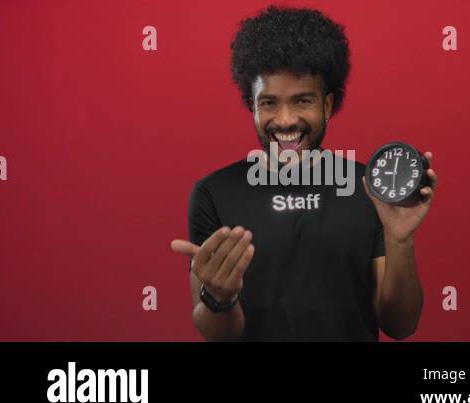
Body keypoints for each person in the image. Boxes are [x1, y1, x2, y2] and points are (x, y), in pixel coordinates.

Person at [171, 5, 438, 341]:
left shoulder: (367, 189)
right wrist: (219, 298)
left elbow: (400, 325)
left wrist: (400, 241)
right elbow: (219, 335)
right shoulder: (213, 192)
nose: (284, 121)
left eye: (301, 101)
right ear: (252, 106)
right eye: (268, 103)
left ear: (327, 106)